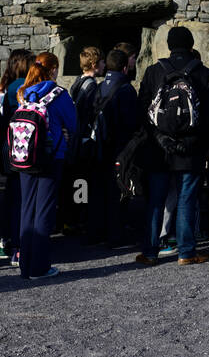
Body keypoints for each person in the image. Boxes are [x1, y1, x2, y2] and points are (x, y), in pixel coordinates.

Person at [135, 26, 209, 266]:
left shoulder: (153, 72)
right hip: (190, 150)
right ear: (191, 45)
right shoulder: (203, 73)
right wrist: (197, 142)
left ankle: (150, 252)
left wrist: (159, 138)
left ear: (169, 46)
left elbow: (143, 111)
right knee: (186, 200)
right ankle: (186, 252)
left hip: (159, 149)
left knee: (156, 202)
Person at [15, 61, 77, 280]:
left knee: (27, 209)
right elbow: (73, 124)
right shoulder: (59, 94)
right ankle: (39, 267)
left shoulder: (24, 95)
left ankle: (25, 265)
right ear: (52, 72)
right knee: (44, 211)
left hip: (25, 157)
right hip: (52, 157)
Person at [85, 48, 141, 247]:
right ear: (125, 68)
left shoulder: (98, 88)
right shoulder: (126, 89)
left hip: (98, 147)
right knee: (116, 192)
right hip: (118, 148)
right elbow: (130, 123)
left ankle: (95, 232)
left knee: (97, 191)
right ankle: (115, 235)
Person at [0, 49, 33, 263]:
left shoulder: (7, 86)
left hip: (8, 145)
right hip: (21, 146)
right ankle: (18, 244)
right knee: (20, 197)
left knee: (10, 194)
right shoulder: (22, 87)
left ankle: (4, 239)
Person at [63, 46, 104, 234]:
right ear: (95, 64)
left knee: (75, 180)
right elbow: (87, 114)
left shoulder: (78, 82)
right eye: (102, 62)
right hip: (84, 138)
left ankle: (71, 217)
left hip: (74, 138)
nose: (105, 65)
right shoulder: (91, 86)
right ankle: (77, 219)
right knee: (82, 182)